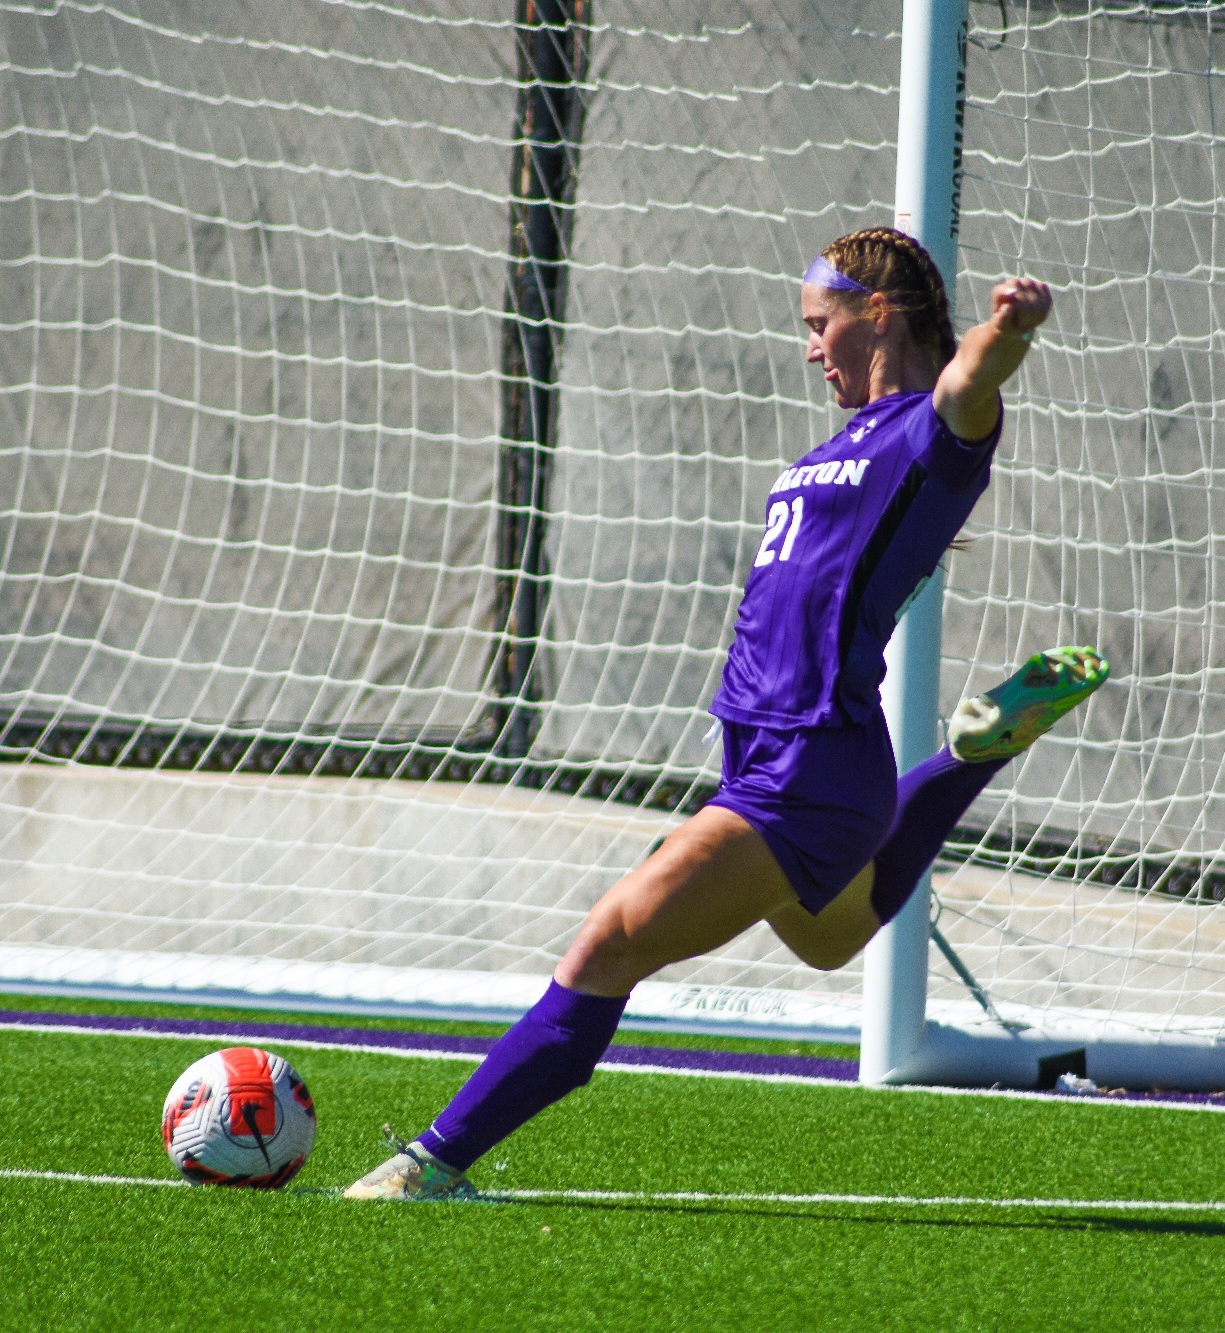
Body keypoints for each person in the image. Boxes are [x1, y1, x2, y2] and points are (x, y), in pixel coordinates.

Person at [345, 227, 1107, 1201]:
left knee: (606, 944)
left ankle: (428, 1162)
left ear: (876, 314)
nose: (805, 347)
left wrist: (1009, 329)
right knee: (829, 936)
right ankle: (965, 752)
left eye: (816, 323)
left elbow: (968, 384)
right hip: (774, 761)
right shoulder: (839, 446)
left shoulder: (927, 433)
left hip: (809, 766)